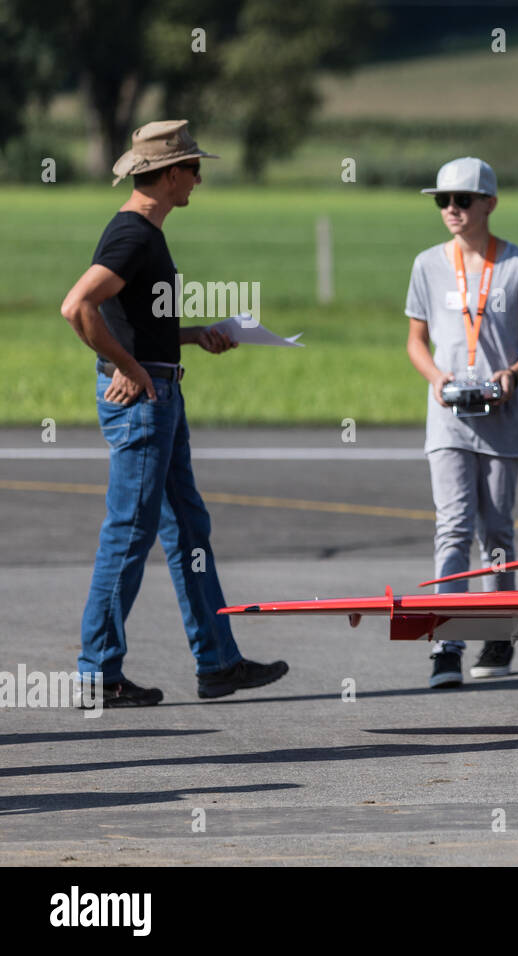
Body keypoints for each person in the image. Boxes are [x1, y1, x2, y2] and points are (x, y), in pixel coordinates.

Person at [60, 120, 288, 707]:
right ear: (164, 176)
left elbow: (128, 317)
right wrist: (131, 370)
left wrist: (190, 336)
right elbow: (78, 306)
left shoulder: (145, 234)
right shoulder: (132, 236)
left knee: (188, 527)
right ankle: (97, 673)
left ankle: (218, 662)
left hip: (160, 392)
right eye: (192, 167)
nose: (199, 178)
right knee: (128, 535)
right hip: (143, 401)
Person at [405, 157, 518, 689]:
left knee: (497, 530)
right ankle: (447, 644)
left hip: (501, 415)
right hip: (447, 418)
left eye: (462, 200)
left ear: (489, 203)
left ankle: (498, 633)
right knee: (453, 527)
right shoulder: (427, 264)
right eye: (443, 201)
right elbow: (415, 341)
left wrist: (512, 373)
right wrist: (438, 378)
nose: (451, 210)